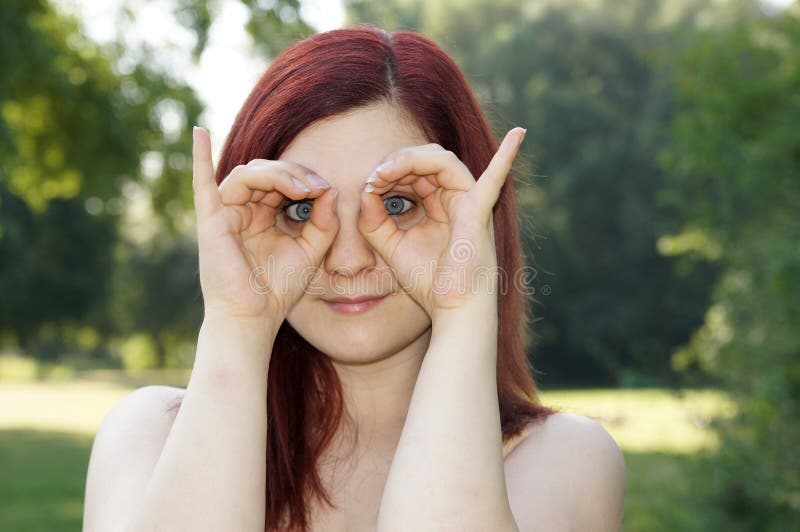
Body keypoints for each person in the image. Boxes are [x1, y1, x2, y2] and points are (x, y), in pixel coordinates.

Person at [83, 25, 626, 532]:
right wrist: (237, 324)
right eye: (299, 209)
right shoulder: (147, 436)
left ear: (479, 216)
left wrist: (464, 309)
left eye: (396, 203)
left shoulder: (564, 460)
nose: (347, 260)